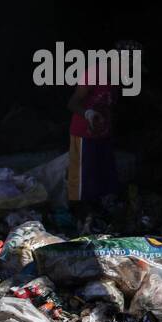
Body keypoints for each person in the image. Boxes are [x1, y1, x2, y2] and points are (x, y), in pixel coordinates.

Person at [67, 67, 117, 218]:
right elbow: (72, 103)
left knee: (102, 178)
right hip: (84, 134)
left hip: (103, 133)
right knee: (82, 181)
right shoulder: (93, 74)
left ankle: (99, 216)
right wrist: (88, 113)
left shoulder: (118, 79)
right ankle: (78, 217)